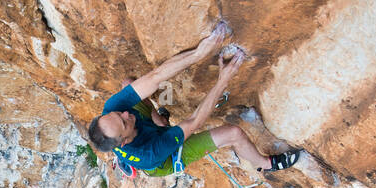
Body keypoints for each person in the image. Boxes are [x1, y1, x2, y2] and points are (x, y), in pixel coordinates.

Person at [87, 23, 301, 176]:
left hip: (146, 131)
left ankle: (159, 122)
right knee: (233, 134)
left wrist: (200, 52)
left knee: (128, 84)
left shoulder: (112, 110)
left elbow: (154, 78)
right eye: (124, 121)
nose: (125, 113)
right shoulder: (149, 155)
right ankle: (265, 164)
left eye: (118, 114)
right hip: (165, 160)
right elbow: (193, 121)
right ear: (123, 141)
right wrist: (222, 80)